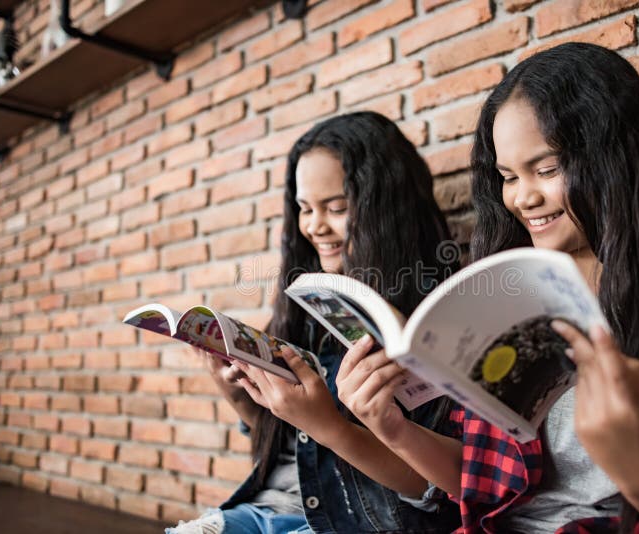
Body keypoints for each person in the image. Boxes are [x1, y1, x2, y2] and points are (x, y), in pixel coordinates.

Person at [335, 43, 639, 533]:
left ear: (617, 159)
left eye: (546, 170)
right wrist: (393, 428)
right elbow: (484, 483)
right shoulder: (504, 300)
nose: (523, 197)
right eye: (508, 177)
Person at [166, 111, 461, 534]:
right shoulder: (305, 306)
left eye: (336, 208)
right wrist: (235, 390)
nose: (314, 227)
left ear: (386, 208)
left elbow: (437, 493)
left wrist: (329, 426)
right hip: (263, 511)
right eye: (305, 209)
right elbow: (281, 444)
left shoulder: (431, 318)